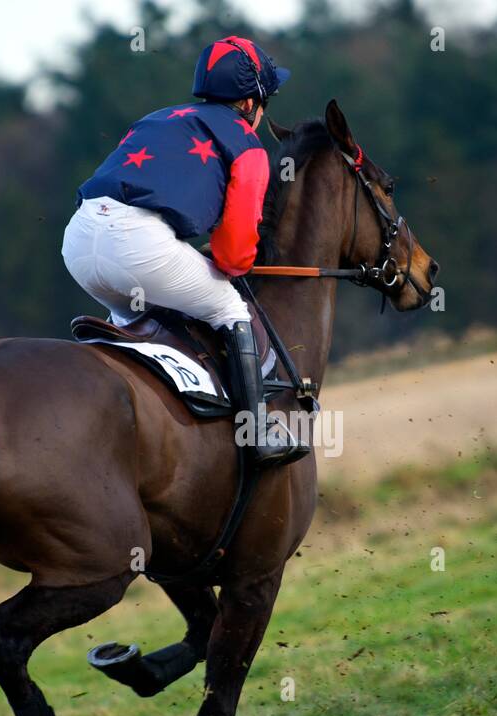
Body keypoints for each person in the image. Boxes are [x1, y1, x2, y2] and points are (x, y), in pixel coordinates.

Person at [62, 35, 303, 467]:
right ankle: (258, 432)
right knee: (229, 307)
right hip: (136, 244)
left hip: (78, 240)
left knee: (141, 318)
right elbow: (233, 257)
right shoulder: (247, 145)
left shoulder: (156, 118)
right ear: (250, 104)